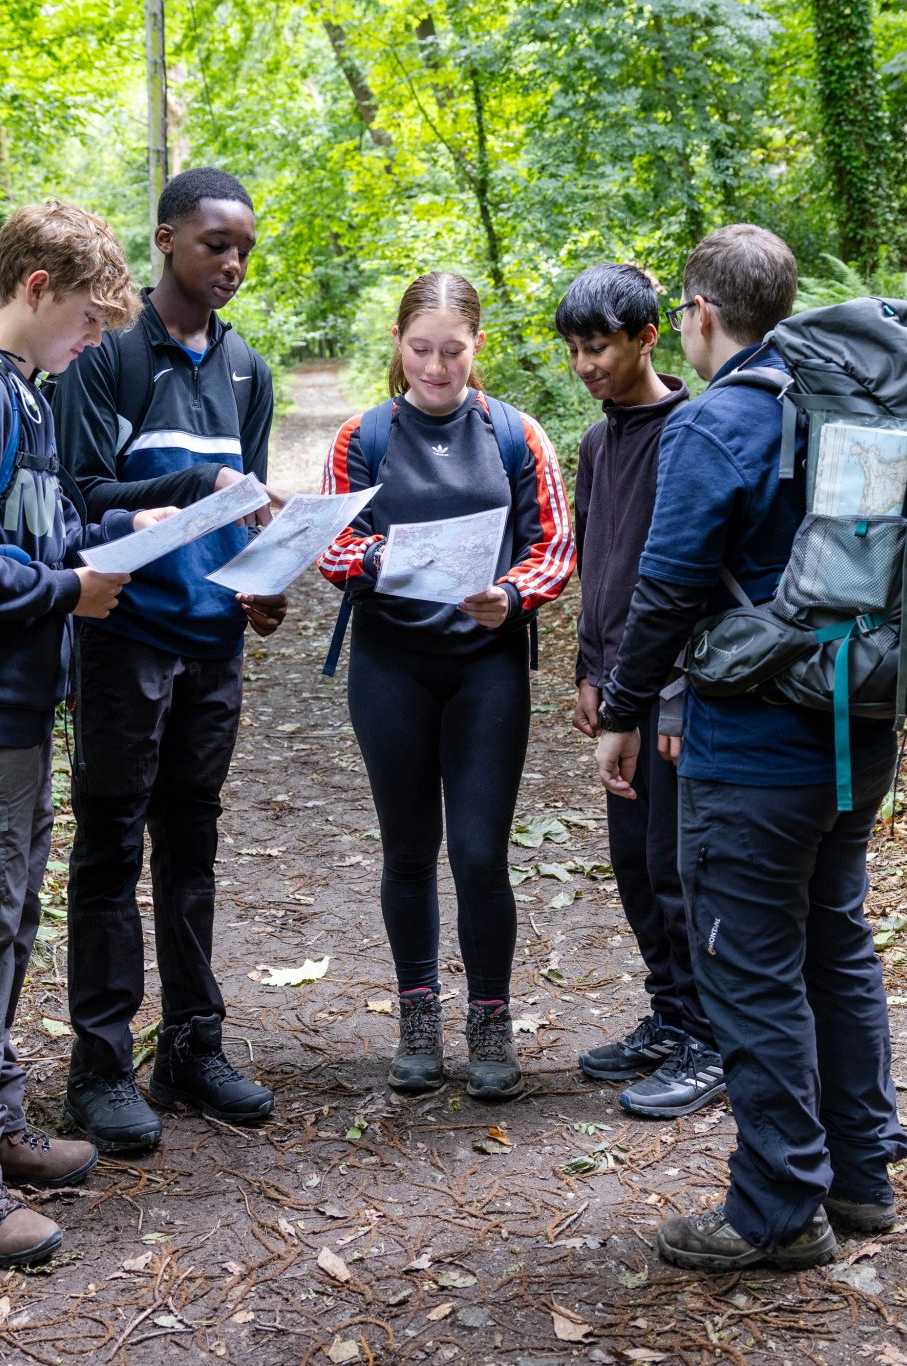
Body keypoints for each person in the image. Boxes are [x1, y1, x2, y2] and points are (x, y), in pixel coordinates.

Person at [592, 226, 906, 1272]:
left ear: (698, 313)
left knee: (749, 966)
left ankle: (775, 1206)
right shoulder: (842, 401)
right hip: (856, 721)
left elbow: (668, 585)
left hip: (755, 741)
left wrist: (623, 711)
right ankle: (860, 1178)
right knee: (833, 941)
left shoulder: (718, 420)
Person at [0, 200, 175, 1268]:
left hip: (16, 715)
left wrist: (118, 528)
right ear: (36, 289)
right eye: (91, 321)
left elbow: (33, 527)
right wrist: (68, 588)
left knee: (5, 920)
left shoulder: (24, 395)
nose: (97, 341)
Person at [51, 167, 286, 1155]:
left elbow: (252, 508)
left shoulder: (247, 371)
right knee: (109, 842)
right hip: (122, 636)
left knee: (192, 843)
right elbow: (77, 497)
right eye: (211, 245)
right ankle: (98, 1066)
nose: (229, 263)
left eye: (241, 249)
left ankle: (191, 1044)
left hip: (209, 640)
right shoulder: (107, 359)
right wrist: (196, 479)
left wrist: (266, 582)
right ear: (164, 240)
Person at [319, 271, 576, 1101]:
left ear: (477, 348)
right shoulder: (363, 436)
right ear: (399, 345)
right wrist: (380, 559)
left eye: (453, 351)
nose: (436, 367)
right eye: (421, 349)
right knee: (407, 850)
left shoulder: (514, 433)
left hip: (484, 667)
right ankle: (418, 1017)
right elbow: (329, 542)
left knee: (478, 853)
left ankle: (491, 1022)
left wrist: (512, 594)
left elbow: (555, 545)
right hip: (391, 664)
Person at [556, 264, 722, 1120]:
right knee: (630, 863)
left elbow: (694, 581)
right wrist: (592, 673)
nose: (586, 365)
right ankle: (668, 1013)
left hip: (670, 695)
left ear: (648, 337)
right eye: (576, 350)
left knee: (674, 867)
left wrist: (674, 697)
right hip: (619, 690)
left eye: (600, 348)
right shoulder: (596, 443)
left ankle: (707, 1035)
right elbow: (600, 566)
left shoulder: (690, 431)